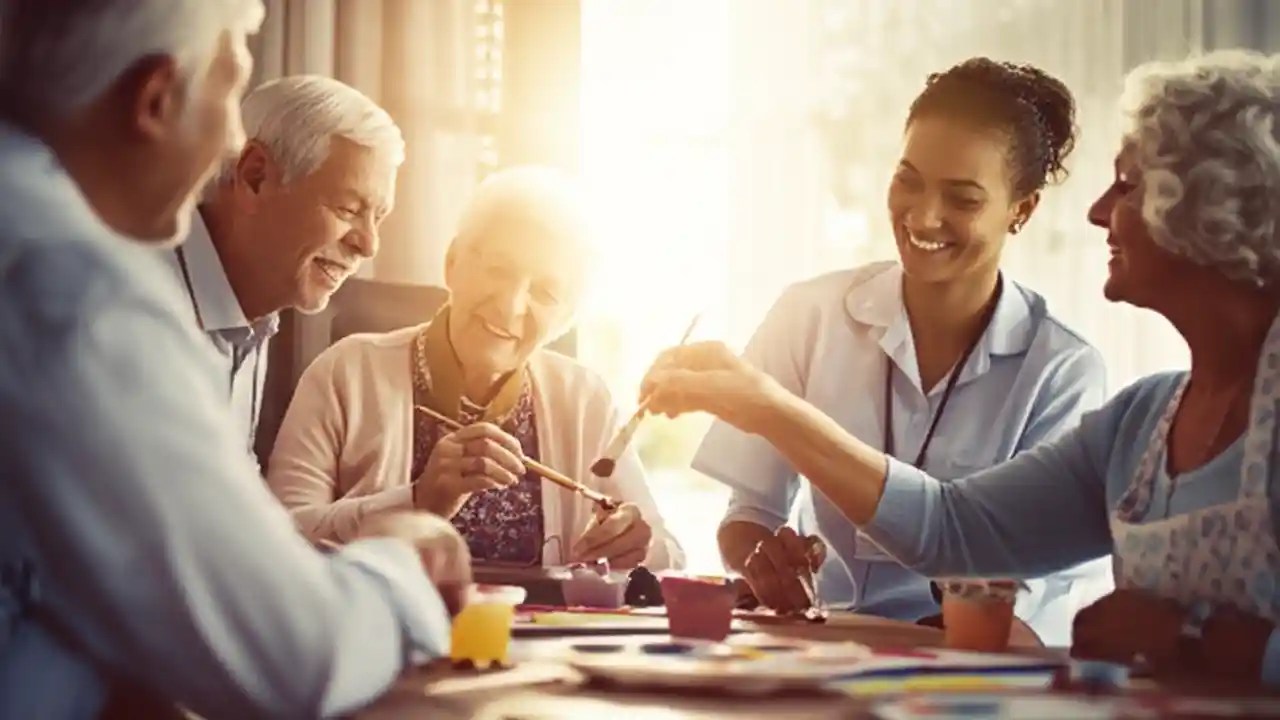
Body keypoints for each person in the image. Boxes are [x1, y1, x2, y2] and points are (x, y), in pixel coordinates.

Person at [642, 50, 1280, 686]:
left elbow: (1013, 590)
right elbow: (950, 527)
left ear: (1213, 209)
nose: (1097, 211)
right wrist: (765, 407)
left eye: (1128, 185)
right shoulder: (1140, 424)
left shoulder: (1069, 367)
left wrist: (1194, 639)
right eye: (909, 179)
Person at [0, 2, 470, 717]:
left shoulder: (242, 324)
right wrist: (404, 561)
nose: (228, 140)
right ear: (156, 100)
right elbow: (291, 656)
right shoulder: (83, 297)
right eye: (227, 97)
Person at [694, 57, 1111, 646]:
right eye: (908, 180)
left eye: (962, 199)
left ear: (1022, 210)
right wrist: (764, 564)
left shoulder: (1062, 369)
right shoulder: (810, 314)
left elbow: (1030, 587)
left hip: (960, 659)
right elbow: (749, 511)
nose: (923, 216)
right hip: (815, 642)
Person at [267, 167, 684, 571]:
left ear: (566, 319)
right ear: (452, 264)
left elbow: (669, 556)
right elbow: (277, 543)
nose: (510, 306)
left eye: (545, 292)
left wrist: (636, 548)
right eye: (498, 271)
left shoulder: (584, 399)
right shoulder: (346, 372)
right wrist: (418, 500)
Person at [166, 75, 403, 452]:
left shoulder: (253, 315)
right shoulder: (134, 307)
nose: (368, 245)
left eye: (379, 218)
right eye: (348, 209)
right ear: (255, 177)